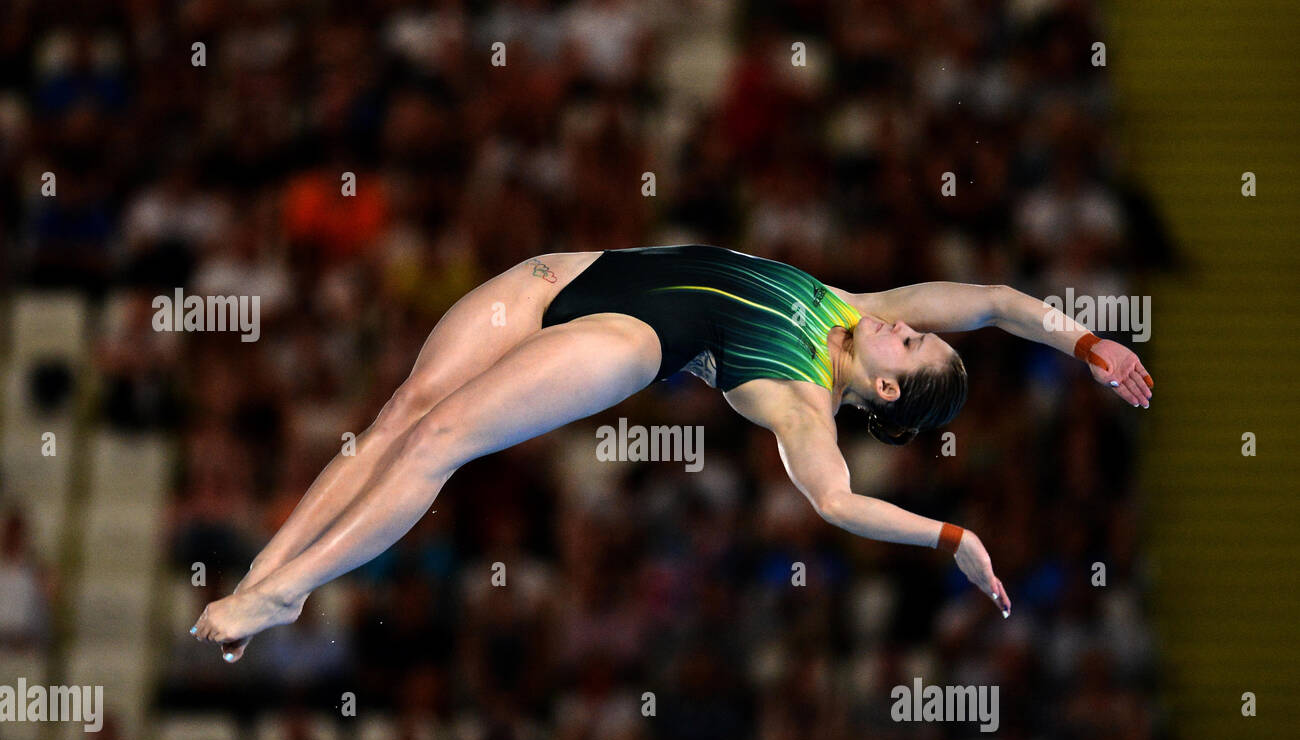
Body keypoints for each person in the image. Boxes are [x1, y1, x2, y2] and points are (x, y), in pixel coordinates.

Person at [192, 245, 1152, 659]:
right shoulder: (850, 308)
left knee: (438, 442)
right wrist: (1086, 343)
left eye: (912, 343)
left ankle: (289, 590)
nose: (905, 323)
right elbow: (989, 299)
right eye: (914, 327)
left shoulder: (804, 401)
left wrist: (948, 537)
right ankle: (272, 575)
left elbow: (837, 502)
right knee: (401, 409)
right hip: (561, 276)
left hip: (622, 338)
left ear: (888, 387)